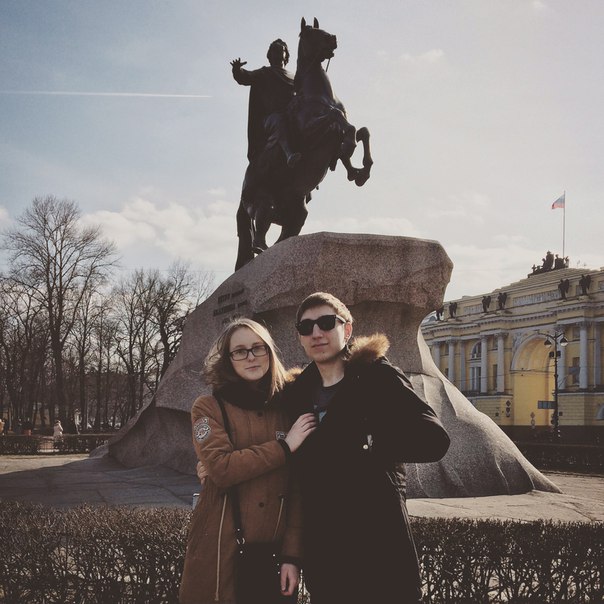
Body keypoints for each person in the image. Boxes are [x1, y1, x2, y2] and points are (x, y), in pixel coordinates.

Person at [283, 292, 451, 604]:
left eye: (326, 323)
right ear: (300, 338)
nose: (316, 333)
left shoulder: (377, 376)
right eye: (306, 327)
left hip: (381, 544)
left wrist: (369, 442)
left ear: (346, 329)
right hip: (326, 553)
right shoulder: (296, 394)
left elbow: (434, 438)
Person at [179, 318, 317, 604]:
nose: (251, 356)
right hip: (220, 554)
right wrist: (284, 447)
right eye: (240, 351)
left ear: (269, 351)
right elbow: (222, 468)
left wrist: (292, 556)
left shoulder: (288, 407)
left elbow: (298, 490)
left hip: (274, 559)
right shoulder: (208, 407)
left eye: (258, 347)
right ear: (228, 359)